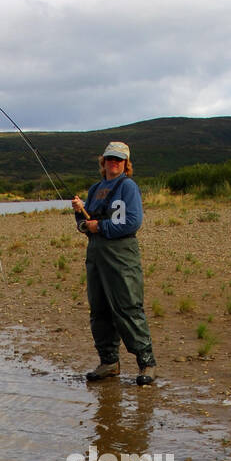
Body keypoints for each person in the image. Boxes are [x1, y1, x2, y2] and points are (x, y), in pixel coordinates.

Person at [71, 141, 157, 386]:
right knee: (99, 310)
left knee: (128, 307)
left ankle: (147, 363)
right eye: (110, 158)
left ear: (126, 164)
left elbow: (133, 222)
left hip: (122, 255)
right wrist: (80, 214)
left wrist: (101, 226)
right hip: (96, 255)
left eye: (119, 160)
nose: (114, 163)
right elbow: (85, 225)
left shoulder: (128, 187)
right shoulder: (95, 188)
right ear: (103, 161)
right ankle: (109, 362)